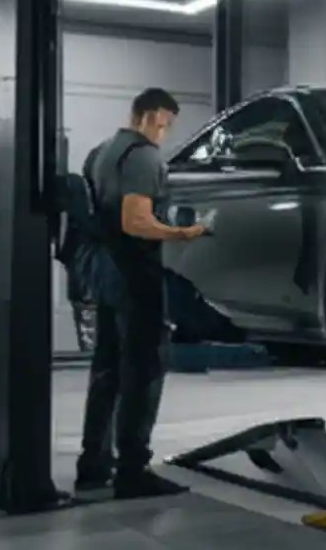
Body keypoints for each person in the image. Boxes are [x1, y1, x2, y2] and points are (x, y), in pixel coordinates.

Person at [74, 87, 206, 499]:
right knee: (144, 371)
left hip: (103, 274)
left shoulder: (100, 152)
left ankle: (92, 466)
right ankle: (132, 470)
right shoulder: (145, 156)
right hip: (134, 273)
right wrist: (183, 233)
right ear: (151, 116)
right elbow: (136, 221)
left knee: (107, 370)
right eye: (166, 123)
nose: (165, 133)